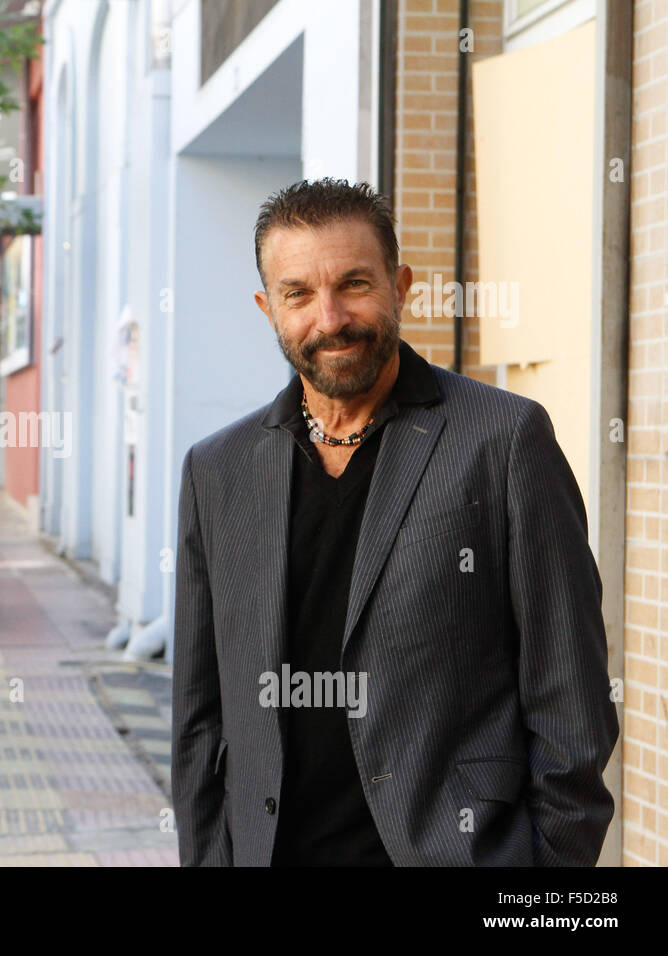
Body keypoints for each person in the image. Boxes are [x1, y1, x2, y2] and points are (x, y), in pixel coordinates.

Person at [171, 178, 620, 866]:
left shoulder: (503, 441)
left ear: (401, 285)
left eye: (354, 284)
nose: (330, 318)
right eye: (298, 294)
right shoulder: (217, 471)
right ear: (268, 308)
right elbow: (200, 721)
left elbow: (571, 698)